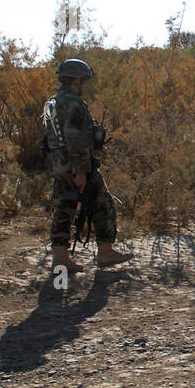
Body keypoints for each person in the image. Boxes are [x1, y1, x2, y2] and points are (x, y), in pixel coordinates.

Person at [41, 58, 132, 273]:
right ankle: (105, 252)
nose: (85, 85)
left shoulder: (53, 101)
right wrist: (81, 170)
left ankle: (60, 258)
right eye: (83, 81)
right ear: (77, 80)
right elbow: (75, 139)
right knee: (102, 203)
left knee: (64, 208)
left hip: (60, 165)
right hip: (77, 166)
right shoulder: (72, 103)